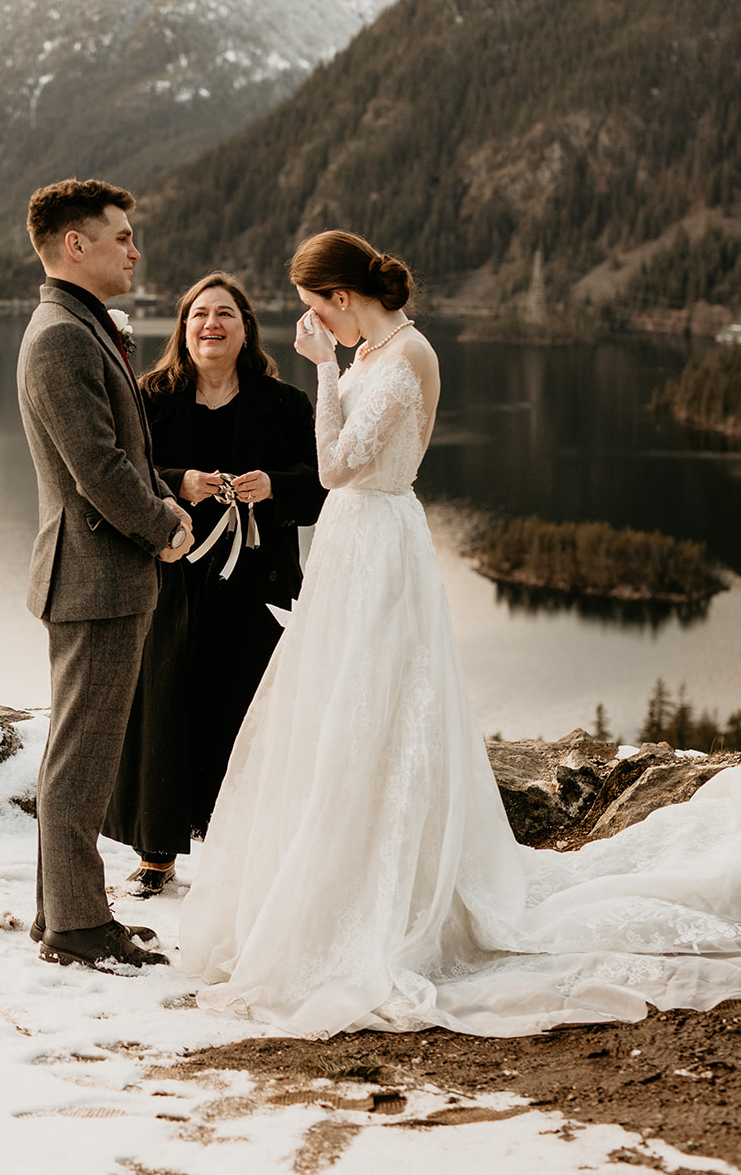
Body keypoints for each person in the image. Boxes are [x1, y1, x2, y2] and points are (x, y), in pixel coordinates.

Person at [181, 230, 741, 1037]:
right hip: (350, 545)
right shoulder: (372, 352)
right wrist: (338, 364)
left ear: (341, 297)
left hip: (378, 544)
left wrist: (322, 371)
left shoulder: (406, 355)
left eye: (314, 308)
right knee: (338, 707)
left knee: (379, 706)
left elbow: (336, 468)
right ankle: (328, 874)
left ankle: (386, 891)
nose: (313, 324)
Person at [17, 178, 194, 972]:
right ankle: (79, 929)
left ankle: (60, 912)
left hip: (96, 571)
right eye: (120, 236)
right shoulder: (61, 334)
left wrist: (164, 500)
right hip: (93, 574)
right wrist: (162, 527)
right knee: (83, 758)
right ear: (74, 244)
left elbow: (128, 451)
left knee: (79, 752)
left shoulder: (80, 323)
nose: (134, 250)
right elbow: (96, 467)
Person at [103, 273, 326, 893]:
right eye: (199, 314)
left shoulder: (285, 404)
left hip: (256, 585)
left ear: (246, 329)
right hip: (169, 580)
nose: (211, 324)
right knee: (163, 709)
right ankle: (156, 849)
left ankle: (246, 856)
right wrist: (180, 481)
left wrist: (274, 486)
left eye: (225, 314)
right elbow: (119, 472)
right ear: (183, 328)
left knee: (247, 715)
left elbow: (322, 488)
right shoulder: (149, 398)